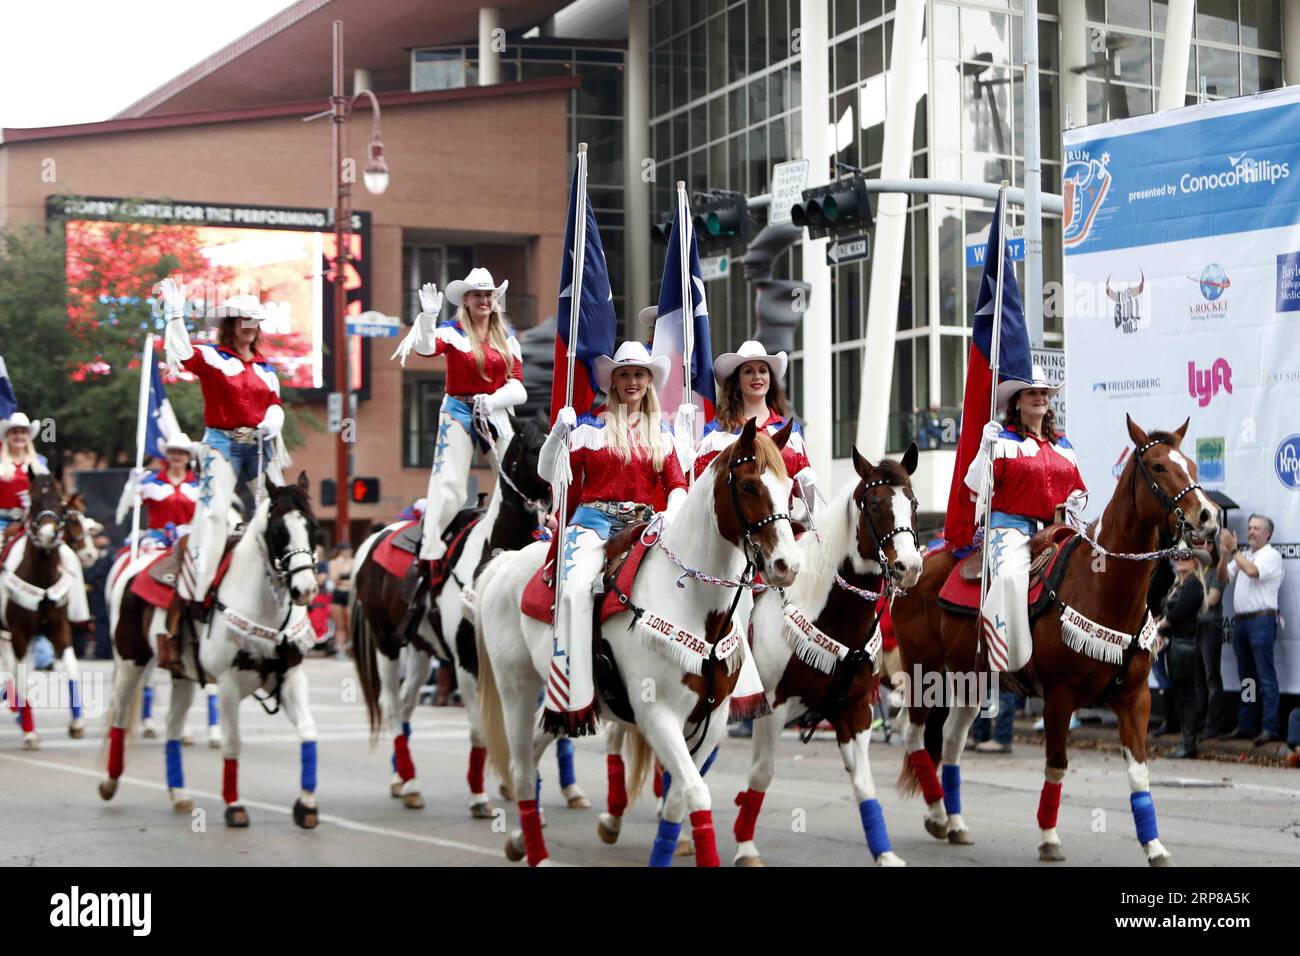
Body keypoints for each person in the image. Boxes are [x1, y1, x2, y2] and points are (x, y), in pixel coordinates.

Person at [539, 341, 688, 733]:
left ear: (649, 382)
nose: (633, 381)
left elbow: (677, 484)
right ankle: (573, 695)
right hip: (592, 524)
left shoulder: (664, 433)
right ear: (613, 382)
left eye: (640, 374)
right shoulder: (589, 429)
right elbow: (547, 473)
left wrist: (671, 514)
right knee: (572, 592)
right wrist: (557, 435)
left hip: (642, 526)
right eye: (625, 374)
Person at [159, 276, 290, 673]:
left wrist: (274, 417)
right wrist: (176, 314)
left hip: (261, 444)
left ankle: (288, 587)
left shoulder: (267, 367)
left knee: (281, 510)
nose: (250, 326)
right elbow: (181, 355)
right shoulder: (215, 357)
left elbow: (275, 402)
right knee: (214, 513)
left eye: (254, 320)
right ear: (230, 324)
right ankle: (197, 590)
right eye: (242, 320)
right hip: (221, 443)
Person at [392, 270, 524, 582]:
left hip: (494, 410)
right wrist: (427, 318)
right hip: (458, 411)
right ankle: (430, 550)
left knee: (517, 476)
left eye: (488, 294)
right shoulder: (452, 331)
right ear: (465, 300)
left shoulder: (507, 335)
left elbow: (518, 386)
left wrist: (493, 401)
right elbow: (425, 349)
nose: (484, 300)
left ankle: (537, 531)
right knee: (449, 484)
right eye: (477, 294)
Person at [964, 365, 1087, 673]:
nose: (1039, 398)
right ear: (1017, 401)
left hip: (1058, 530)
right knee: (1008, 577)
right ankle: (1010, 658)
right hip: (1010, 531)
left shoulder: (1065, 446)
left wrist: (1075, 501)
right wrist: (983, 448)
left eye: (1044, 392)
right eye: (1031, 392)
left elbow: (1079, 491)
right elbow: (974, 486)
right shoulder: (1002, 441)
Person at [692, 340, 816, 520]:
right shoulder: (716, 433)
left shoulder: (790, 432)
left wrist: (808, 488)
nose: (756, 376)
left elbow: (803, 488)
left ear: (770, 380)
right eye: (748, 371)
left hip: (782, 531)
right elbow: (700, 488)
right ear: (737, 382)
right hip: (732, 538)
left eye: (762, 371)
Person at [0, 411, 94, 635]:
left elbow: (50, 498)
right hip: (2, 520)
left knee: (70, 558)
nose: (19, 436)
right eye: (14, 432)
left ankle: (78, 615)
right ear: (7, 436)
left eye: (23, 432)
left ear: (29, 436)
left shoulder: (40, 464)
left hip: (34, 523)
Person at [1218, 514, 1284, 745]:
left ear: (1268, 534)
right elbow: (1222, 577)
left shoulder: (1271, 555)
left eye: (1257, 528)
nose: (1252, 531)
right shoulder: (1243, 554)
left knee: (1265, 677)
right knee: (1247, 678)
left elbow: (1253, 572)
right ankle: (1247, 724)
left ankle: (1270, 727)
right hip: (1242, 622)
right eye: (1250, 527)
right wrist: (1225, 553)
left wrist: (1234, 550)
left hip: (1261, 621)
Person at [1156, 550, 1206, 759]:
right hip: (1175, 644)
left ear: (1194, 561)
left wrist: (1159, 626)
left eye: (1185, 557)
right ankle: (1185, 740)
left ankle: (1189, 742)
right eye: (1176, 557)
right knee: (1181, 695)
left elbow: (1177, 614)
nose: (1179, 560)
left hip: (1187, 644)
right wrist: (1160, 629)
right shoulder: (1178, 585)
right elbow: (1167, 612)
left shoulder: (1194, 584)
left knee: (1188, 696)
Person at [116, 433, 200, 548]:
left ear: (188, 456)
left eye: (181, 453)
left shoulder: (198, 485)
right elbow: (131, 505)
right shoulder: (150, 481)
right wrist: (133, 485)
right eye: (172, 452)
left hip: (189, 540)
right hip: (156, 539)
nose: (176, 456)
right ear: (167, 455)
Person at [1194, 538, 1227, 740]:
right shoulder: (1194, 570)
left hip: (1210, 626)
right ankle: (1199, 722)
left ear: (1210, 546)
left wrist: (1191, 593)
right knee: (1198, 679)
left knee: (1211, 677)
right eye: (1195, 542)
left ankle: (1213, 724)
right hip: (1195, 626)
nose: (1198, 546)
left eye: (1202, 542)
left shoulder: (1217, 571)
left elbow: (1212, 599)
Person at [327, 542, 353, 655]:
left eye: (349, 550)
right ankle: (341, 649)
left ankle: (352, 648)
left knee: (351, 623)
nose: (347, 552)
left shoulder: (354, 561)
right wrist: (345, 575)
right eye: (345, 550)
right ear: (340, 552)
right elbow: (335, 579)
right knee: (340, 624)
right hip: (338, 594)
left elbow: (354, 581)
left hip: (350, 594)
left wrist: (343, 575)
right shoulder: (333, 563)